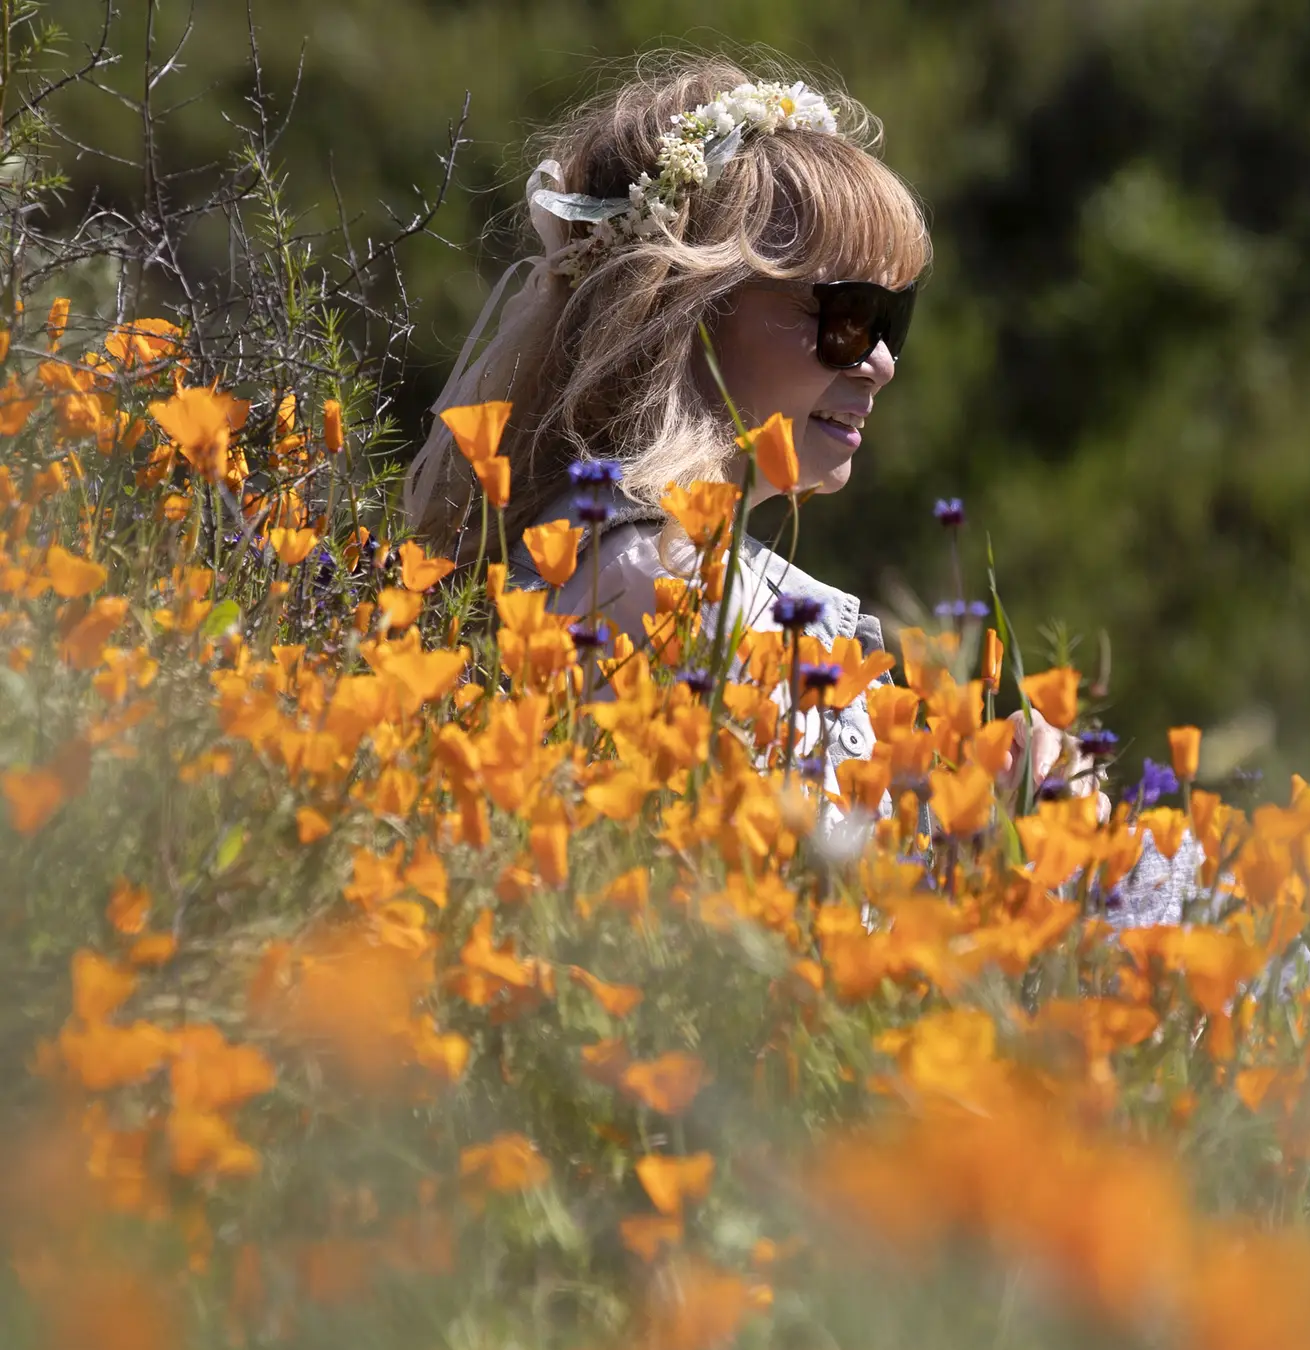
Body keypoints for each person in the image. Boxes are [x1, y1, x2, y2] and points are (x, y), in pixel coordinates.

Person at [403, 55, 1202, 924]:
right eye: (849, 318)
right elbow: (772, 929)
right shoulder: (644, 580)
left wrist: (993, 806)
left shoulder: (680, 564)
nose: (884, 363)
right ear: (691, 303)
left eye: (894, 322)